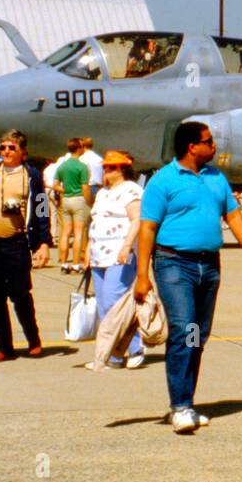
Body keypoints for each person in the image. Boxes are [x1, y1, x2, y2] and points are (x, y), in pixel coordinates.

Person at [134, 121, 242, 433]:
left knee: (198, 336)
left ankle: (185, 402)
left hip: (210, 265)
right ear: (192, 147)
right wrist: (141, 274)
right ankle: (180, 407)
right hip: (175, 264)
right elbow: (148, 227)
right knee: (184, 329)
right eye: (208, 141)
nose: (214, 146)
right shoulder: (162, 181)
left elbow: (232, 215)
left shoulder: (216, 178)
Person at [0, 131, 52, 362]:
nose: (5, 151)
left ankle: (33, 339)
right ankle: (4, 347)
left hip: (17, 244)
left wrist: (43, 243)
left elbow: (42, 209)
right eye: (3, 147)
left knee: (20, 295)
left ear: (22, 151)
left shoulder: (31, 175)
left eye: (11, 148)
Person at [84, 151, 144, 370]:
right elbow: (95, 221)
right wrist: (88, 250)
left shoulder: (131, 190)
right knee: (103, 305)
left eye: (112, 168)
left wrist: (127, 245)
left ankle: (135, 346)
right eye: (106, 168)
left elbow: (137, 219)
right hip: (99, 253)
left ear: (123, 169)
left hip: (120, 252)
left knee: (114, 300)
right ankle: (113, 354)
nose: (107, 172)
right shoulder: (102, 193)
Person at [54, 139, 94, 274]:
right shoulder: (82, 167)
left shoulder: (62, 166)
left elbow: (55, 185)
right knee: (78, 233)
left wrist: (65, 190)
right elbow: (85, 188)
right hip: (78, 199)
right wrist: (90, 202)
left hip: (66, 199)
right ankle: (76, 264)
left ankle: (64, 263)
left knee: (65, 233)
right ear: (79, 148)